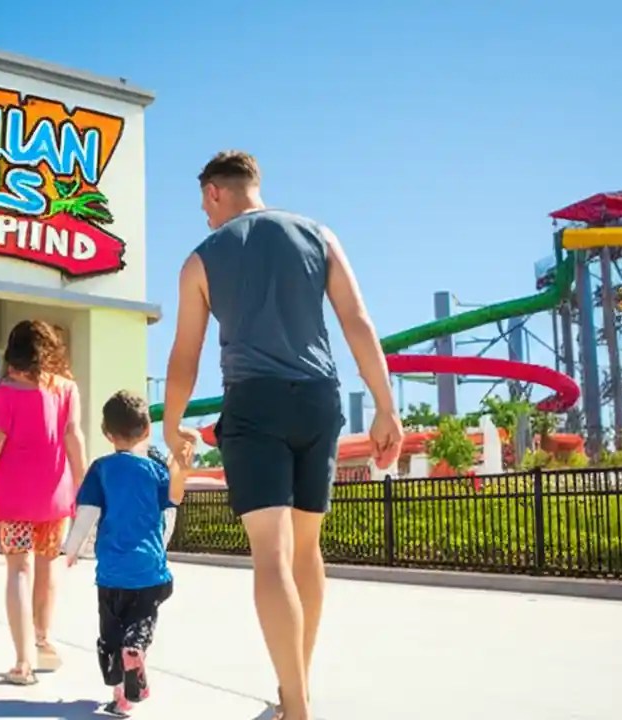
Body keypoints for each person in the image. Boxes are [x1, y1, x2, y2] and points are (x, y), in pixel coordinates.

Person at [160, 150, 403, 719]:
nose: (205, 215)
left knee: (270, 554)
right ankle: (297, 690)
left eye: (204, 204)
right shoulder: (319, 234)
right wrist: (386, 407)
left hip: (255, 402)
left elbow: (184, 353)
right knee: (307, 550)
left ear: (216, 192)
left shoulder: (201, 260)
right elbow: (357, 320)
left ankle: (295, 704)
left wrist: (172, 425)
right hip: (319, 399)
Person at [0, 319, 87, 685]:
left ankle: (22, 662)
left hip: (14, 500)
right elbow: (74, 438)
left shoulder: (4, 390)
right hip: (54, 498)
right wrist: (84, 485)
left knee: (19, 571)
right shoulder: (67, 389)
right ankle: (43, 639)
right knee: (49, 569)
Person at [62, 390, 186, 718]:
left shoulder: (101, 469)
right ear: (146, 430)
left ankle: (121, 694)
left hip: (111, 573)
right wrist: (181, 465)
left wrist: (71, 549)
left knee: (111, 635)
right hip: (148, 571)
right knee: (140, 623)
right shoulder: (156, 471)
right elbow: (174, 500)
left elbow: (86, 513)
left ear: (107, 433)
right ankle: (137, 647)